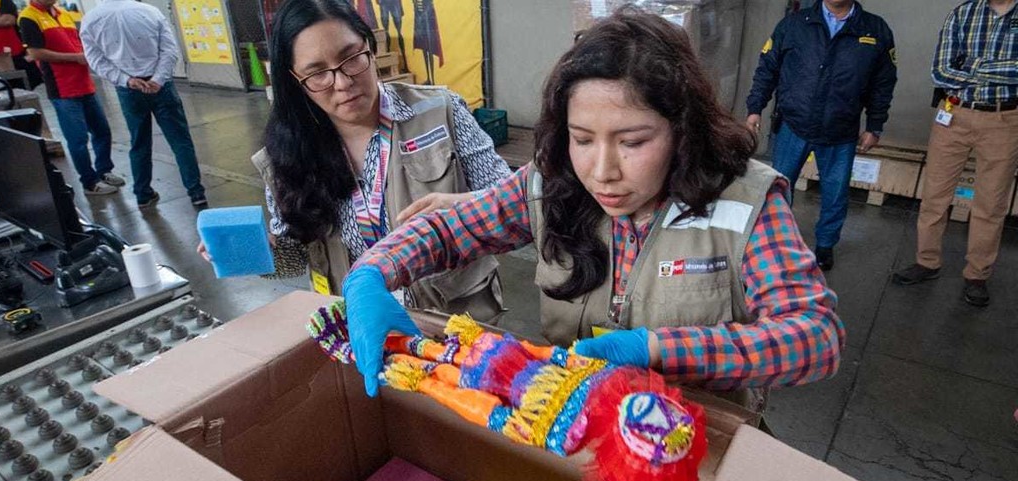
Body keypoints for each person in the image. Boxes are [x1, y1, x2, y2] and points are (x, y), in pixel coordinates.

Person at [341, 8, 846, 408]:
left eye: (632, 141)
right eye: (583, 138)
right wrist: (370, 275)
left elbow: (815, 336)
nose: (602, 170)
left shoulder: (745, 203)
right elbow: (452, 228)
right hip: (575, 417)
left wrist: (656, 351)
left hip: (694, 437)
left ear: (681, 129)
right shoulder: (554, 179)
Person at [206, 0, 510, 320]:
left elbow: (510, 202)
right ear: (295, 80)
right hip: (362, 324)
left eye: (351, 58)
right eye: (318, 73)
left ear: (369, 46)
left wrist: (467, 209)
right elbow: (295, 259)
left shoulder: (439, 112)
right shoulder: (286, 155)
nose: (343, 83)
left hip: (454, 318)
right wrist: (255, 252)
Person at [745, 0, 897, 271]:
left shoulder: (875, 30)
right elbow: (768, 67)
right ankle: (777, 241)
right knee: (778, 189)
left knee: (835, 193)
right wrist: (755, 108)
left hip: (841, 129)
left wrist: (875, 125)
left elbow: (883, 83)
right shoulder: (793, 25)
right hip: (795, 124)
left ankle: (825, 245)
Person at [891, 0, 1018, 307]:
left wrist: (971, 65)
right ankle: (927, 262)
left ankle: (977, 275)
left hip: (1005, 119)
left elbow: (958, 68)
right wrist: (1000, 70)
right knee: (935, 194)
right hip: (954, 115)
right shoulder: (963, 13)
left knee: (991, 203)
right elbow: (941, 71)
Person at [80, 0, 207, 210]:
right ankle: (196, 193)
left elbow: (95, 59)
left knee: (139, 142)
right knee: (180, 141)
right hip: (161, 87)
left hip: (130, 89)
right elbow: (169, 50)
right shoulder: (149, 11)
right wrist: (158, 79)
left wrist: (126, 80)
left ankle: (143, 194)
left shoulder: (91, 20)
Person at [19, 0, 124, 196]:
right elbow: (35, 53)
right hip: (62, 88)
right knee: (77, 139)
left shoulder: (63, 14)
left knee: (102, 131)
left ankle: (104, 170)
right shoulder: (28, 17)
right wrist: (75, 58)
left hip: (84, 84)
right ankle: (89, 181)